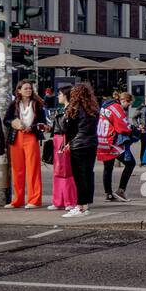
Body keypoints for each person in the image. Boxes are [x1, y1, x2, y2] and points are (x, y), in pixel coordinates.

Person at [3, 80, 48, 209]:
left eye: (30, 88)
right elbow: (6, 120)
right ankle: (18, 200)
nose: (29, 90)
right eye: (26, 88)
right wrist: (13, 123)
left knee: (33, 169)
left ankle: (34, 200)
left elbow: (42, 123)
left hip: (31, 137)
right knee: (17, 170)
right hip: (16, 137)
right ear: (19, 91)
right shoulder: (14, 105)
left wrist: (32, 128)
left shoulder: (38, 104)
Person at [60, 83, 99, 218]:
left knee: (79, 177)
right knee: (88, 175)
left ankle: (80, 206)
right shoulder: (93, 109)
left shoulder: (75, 109)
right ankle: (86, 205)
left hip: (78, 145)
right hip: (92, 144)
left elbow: (67, 130)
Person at [98, 91, 135, 202]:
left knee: (108, 167)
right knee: (130, 163)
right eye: (128, 104)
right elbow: (123, 127)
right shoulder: (116, 107)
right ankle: (121, 190)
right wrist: (133, 130)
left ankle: (108, 194)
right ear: (124, 101)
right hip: (112, 142)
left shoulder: (105, 106)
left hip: (102, 140)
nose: (128, 106)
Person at [49, 89, 77, 211]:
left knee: (66, 172)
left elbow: (71, 128)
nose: (58, 96)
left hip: (64, 140)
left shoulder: (71, 110)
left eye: (60, 94)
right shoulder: (65, 109)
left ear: (66, 96)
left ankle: (68, 200)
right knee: (59, 171)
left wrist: (69, 142)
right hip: (59, 139)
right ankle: (59, 200)